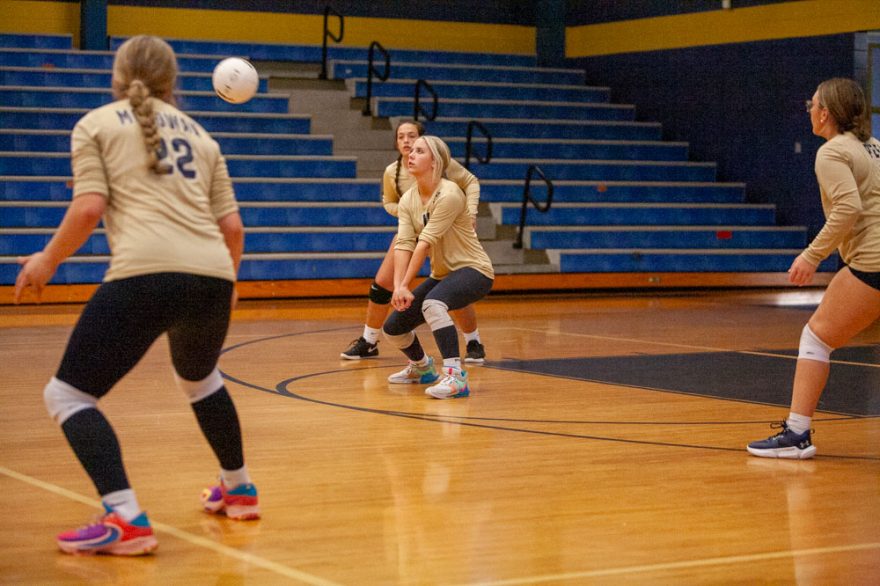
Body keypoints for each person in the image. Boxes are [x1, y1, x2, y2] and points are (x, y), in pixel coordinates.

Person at [13, 35, 259, 555]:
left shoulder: (96, 124)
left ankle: (124, 517)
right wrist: (229, 284)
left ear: (117, 77)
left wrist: (46, 261)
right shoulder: (204, 138)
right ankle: (238, 490)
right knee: (200, 378)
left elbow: (88, 208)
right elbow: (233, 228)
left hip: (146, 273)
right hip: (213, 277)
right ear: (173, 83)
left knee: (68, 396)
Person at [747, 78, 880, 459]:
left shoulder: (832, 152)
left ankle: (797, 434)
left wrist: (811, 255)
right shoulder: (874, 148)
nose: (809, 109)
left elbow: (848, 208)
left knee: (816, 338)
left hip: (872, 262)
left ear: (826, 113)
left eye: (813, 103)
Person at [340, 120, 488, 364]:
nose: (406, 142)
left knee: (451, 286)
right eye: (401, 137)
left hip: (442, 230)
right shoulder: (394, 172)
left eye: (412, 137)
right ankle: (370, 339)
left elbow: (471, 182)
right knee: (382, 284)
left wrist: (471, 212)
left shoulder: (445, 171)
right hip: (414, 229)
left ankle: (473, 341)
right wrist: (406, 211)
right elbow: (389, 203)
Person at [382, 135, 495, 399]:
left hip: (474, 269)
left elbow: (423, 243)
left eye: (420, 151)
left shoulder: (450, 193)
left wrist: (405, 286)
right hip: (443, 273)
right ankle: (422, 368)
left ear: (435, 162)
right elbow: (404, 244)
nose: (410, 153)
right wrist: (399, 286)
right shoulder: (409, 199)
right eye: (411, 150)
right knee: (394, 329)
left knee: (433, 304)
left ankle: (456, 377)